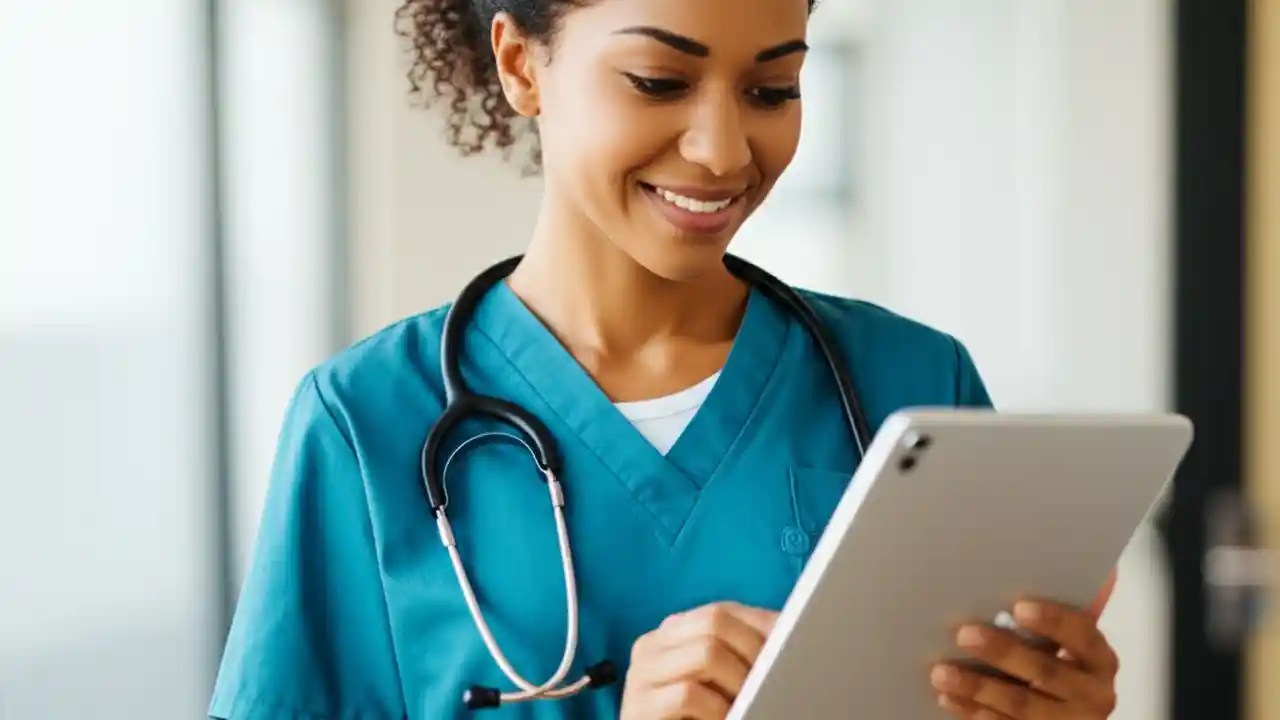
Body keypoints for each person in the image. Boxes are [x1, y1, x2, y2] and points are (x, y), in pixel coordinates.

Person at [208, 0, 1121, 718]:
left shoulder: (917, 387)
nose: (724, 151)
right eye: (657, 80)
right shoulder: (366, 422)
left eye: (771, 91)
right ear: (523, 64)